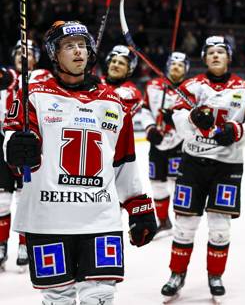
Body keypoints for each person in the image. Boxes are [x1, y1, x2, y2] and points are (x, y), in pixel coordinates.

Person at [3, 20, 156, 304]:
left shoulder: (114, 103)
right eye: (69, 46)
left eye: (82, 46)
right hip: (49, 219)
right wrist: (14, 148)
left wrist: (138, 206)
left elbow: (124, 162)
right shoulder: (32, 95)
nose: (78, 52)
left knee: (100, 296)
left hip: (100, 218)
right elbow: (14, 146)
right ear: (54, 54)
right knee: (58, 299)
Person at [161, 35, 245, 300]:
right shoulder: (192, 86)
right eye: (211, 52)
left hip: (226, 167)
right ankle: (176, 274)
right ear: (204, 57)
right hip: (193, 164)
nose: (216, 56)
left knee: (219, 228)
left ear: (229, 57)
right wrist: (192, 117)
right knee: (184, 226)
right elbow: (178, 118)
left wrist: (237, 131)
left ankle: (215, 275)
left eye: (221, 51)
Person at [0, 39, 52, 271]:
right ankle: (1, 244)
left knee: (26, 196)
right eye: (20, 52)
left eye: (29, 53)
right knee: (1, 199)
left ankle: (24, 243)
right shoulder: (8, 77)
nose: (24, 56)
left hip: (31, 142)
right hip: (3, 141)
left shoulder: (41, 77)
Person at [140, 51, 190, 234]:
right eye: (173, 63)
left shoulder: (190, 89)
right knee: (156, 183)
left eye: (181, 64)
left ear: (186, 69)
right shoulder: (153, 85)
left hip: (179, 143)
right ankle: (163, 221)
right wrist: (150, 128)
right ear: (168, 65)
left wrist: (176, 121)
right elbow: (145, 110)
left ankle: (182, 222)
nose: (176, 66)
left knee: (177, 184)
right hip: (157, 142)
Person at [102, 45, 143, 117]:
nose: (115, 65)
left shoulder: (132, 93)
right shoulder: (95, 81)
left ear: (129, 69)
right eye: (113, 61)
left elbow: (112, 115)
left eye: (121, 63)